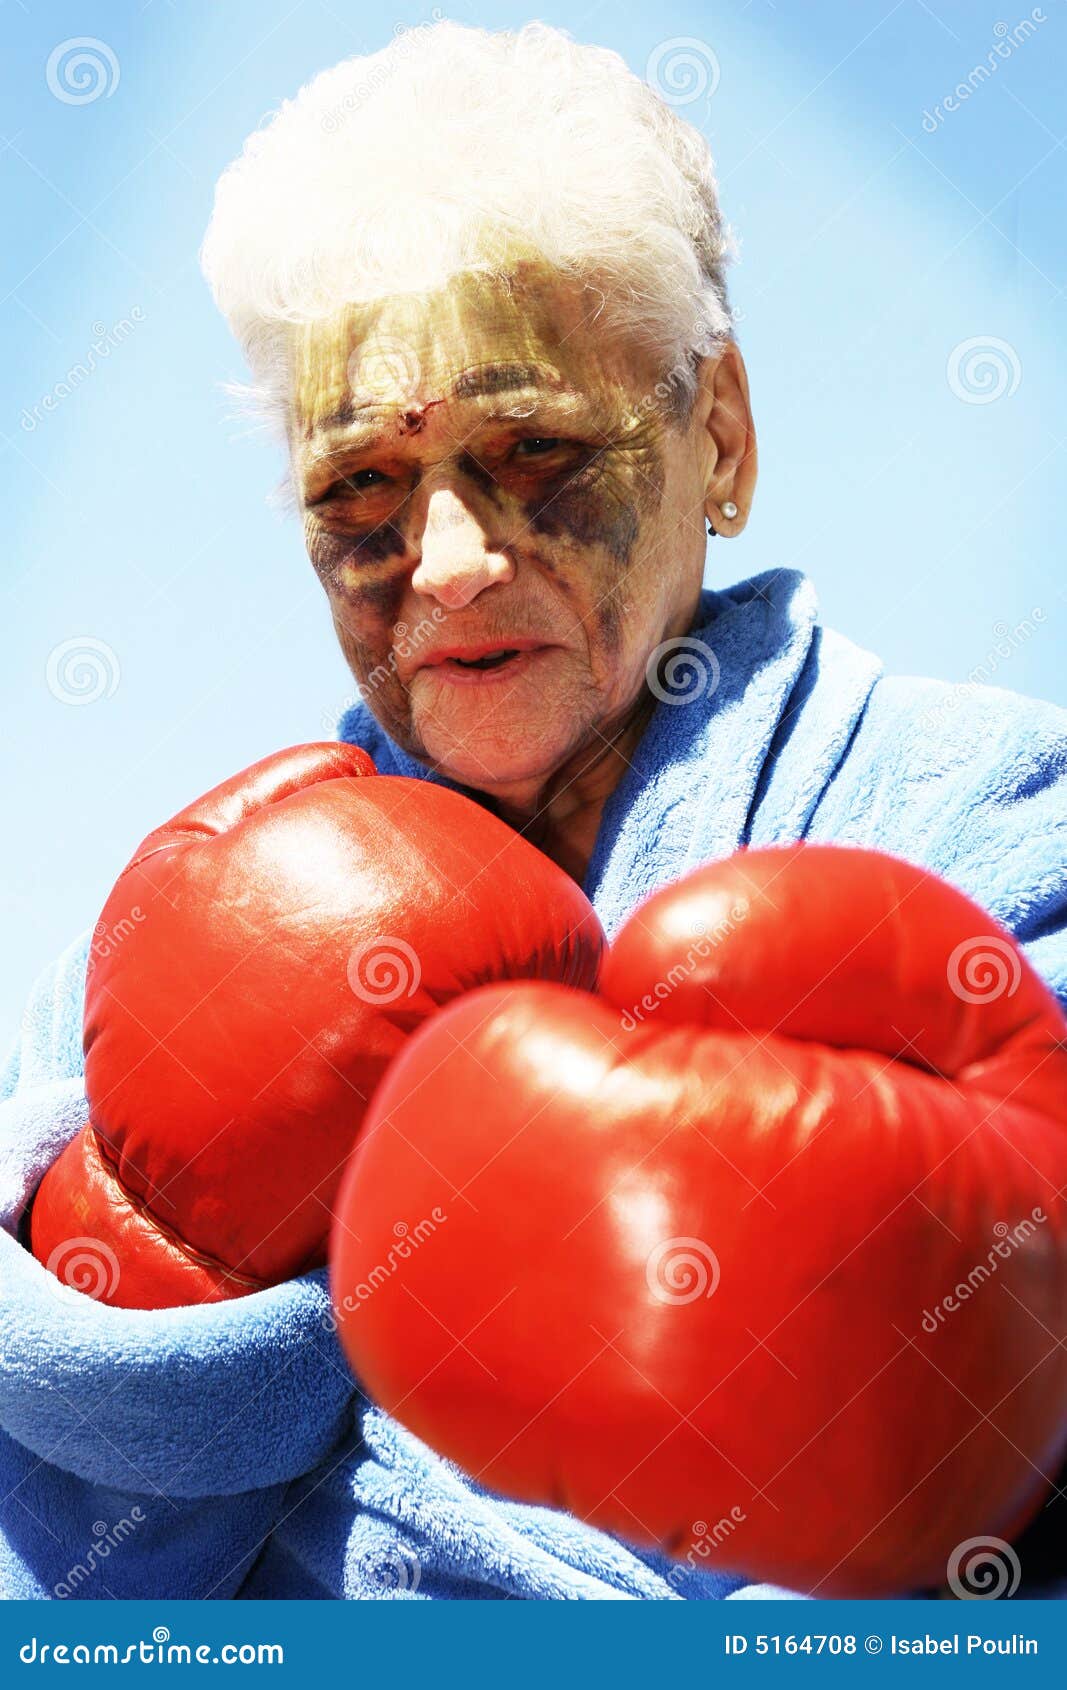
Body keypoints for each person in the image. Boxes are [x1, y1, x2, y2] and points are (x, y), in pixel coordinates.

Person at [2, 18, 1065, 1602]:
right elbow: (74, 1603)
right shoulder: (196, 926)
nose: (443, 560)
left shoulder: (992, 818)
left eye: (535, 448)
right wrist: (156, 1298)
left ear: (721, 440)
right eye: (359, 481)